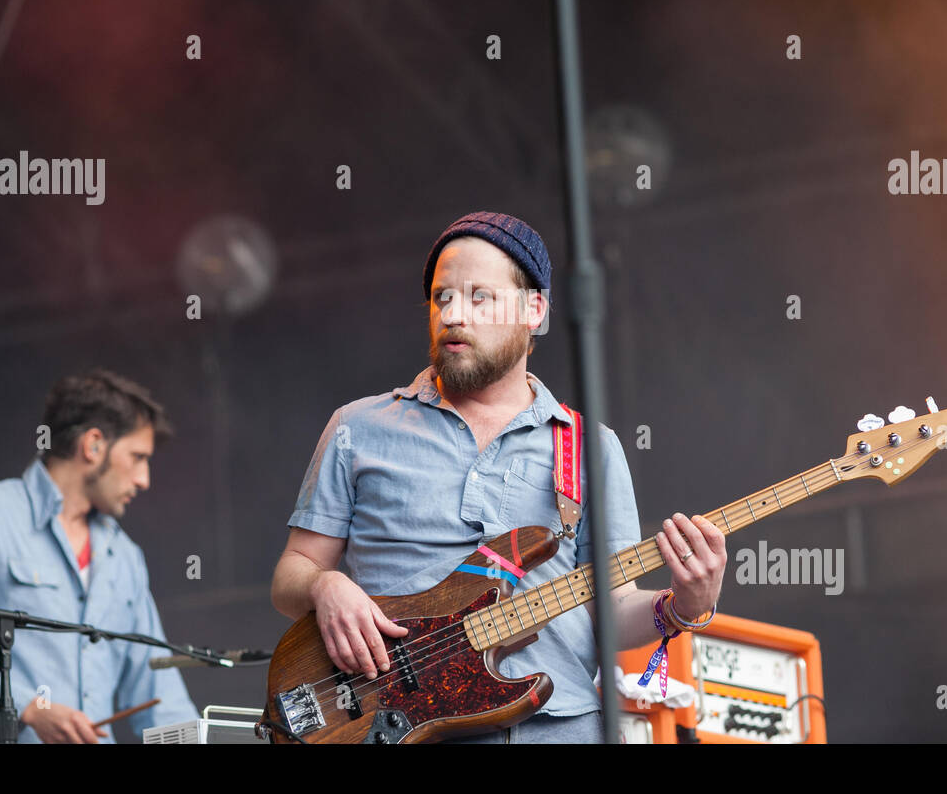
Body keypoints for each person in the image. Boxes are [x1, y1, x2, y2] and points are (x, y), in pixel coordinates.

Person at [270, 211, 728, 743]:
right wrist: (326, 585)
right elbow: (291, 576)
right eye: (442, 297)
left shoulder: (588, 448)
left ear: (534, 310)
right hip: (387, 725)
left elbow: (612, 609)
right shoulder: (358, 427)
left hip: (555, 728)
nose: (454, 315)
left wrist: (683, 607)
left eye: (478, 297)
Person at [0, 369, 198, 743]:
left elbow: (160, 690)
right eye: (138, 457)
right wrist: (33, 707)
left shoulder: (125, 556)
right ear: (93, 445)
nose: (144, 479)